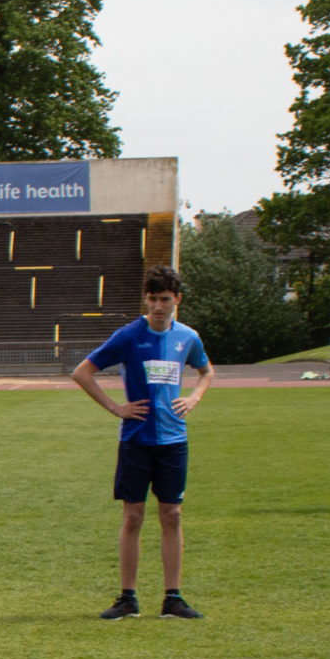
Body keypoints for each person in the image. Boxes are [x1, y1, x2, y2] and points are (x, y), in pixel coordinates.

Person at [71, 265, 214, 620]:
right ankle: (128, 598)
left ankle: (173, 598)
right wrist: (115, 407)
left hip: (173, 440)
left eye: (165, 299)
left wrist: (194, 398)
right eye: (152, 299)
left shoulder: (187, 337)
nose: (158, 306)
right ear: (145, 300)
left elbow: (206, 371)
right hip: (136, 439)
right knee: (133, 516)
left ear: (177, 299)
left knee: (172, 514)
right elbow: (82, 372)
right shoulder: (129, 335)